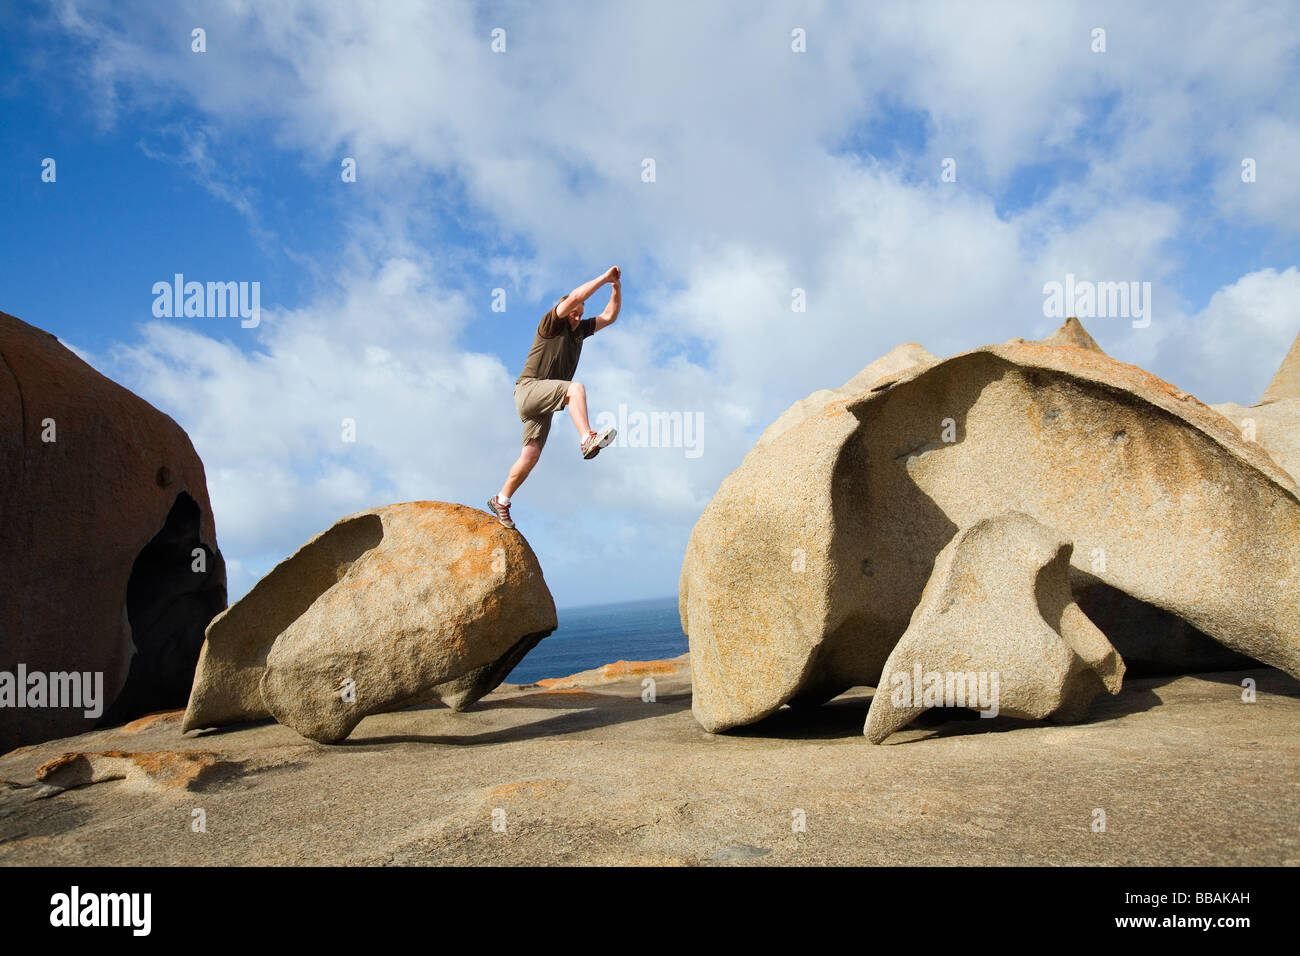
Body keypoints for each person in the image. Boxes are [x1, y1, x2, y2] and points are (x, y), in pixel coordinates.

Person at [488, 266, 622, 529]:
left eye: (580, 315)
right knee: (576, 389)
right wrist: (604, 278)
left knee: (531, 455)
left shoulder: (580, 331)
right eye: (573, 312)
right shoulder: (551, 323)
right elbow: (573, 298)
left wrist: (616, 288)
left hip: (542, 405)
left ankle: (501, 500)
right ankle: (587, 439)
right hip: (529, 390)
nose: (576, 317)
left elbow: (609, 316)